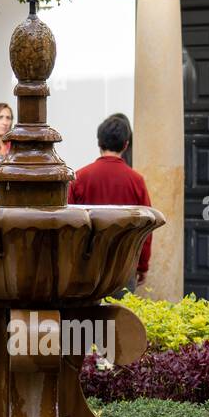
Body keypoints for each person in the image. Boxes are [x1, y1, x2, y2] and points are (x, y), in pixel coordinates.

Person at [68, 114, 153, 292]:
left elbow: (68, 223)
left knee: (89, 319)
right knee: (120, 317)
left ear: (99, 143)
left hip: (88, 264)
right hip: (124, 263)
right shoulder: (136, 181)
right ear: (126, 144)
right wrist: (142, 264)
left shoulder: (79, 177)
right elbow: (147, 227)